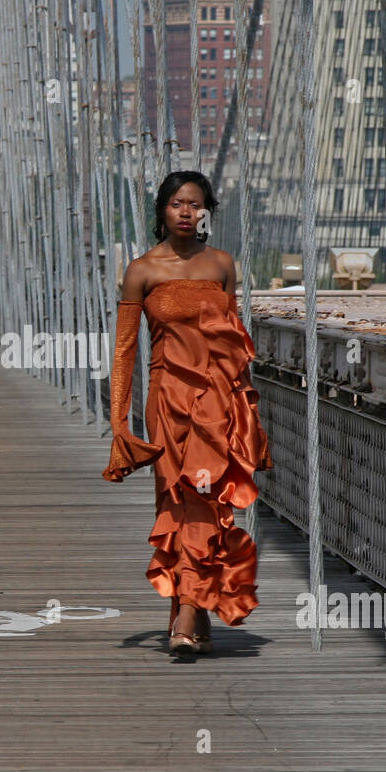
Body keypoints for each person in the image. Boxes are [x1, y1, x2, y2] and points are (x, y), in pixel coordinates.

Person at [102, 170, 272, 655]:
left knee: (204, 496)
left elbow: (235, 342)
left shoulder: (221, 265)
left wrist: (247, 411)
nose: (185, 211)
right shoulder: (142, 271)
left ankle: (188, 612)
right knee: (173, 500)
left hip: (218, 399)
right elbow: (124, 350)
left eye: (195, 204)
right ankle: (186, 606)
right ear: (161, 210)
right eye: (177, 202)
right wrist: (120, 422)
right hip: (167, 399)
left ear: (205, 212)